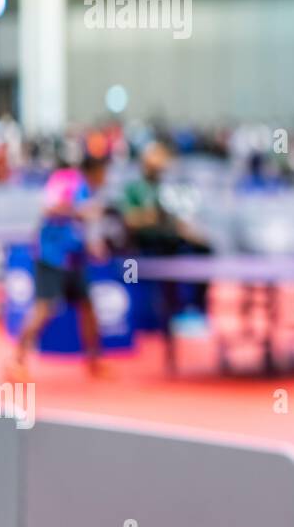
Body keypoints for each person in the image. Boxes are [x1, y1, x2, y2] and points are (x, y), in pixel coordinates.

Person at [11, 155, 110, 380]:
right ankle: (16, 362)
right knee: (44, 309)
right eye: (104, 173)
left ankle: (94, 361)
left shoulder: (91, 191)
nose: (106, 178)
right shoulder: (68, 180)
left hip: (75, 259)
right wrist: (79, 211)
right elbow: (49, 209)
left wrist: (94, 246)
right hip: (52, 256)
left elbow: (82, 227)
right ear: (95, 171)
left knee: (88, 308)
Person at [120, 141, 213, 328]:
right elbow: (128, 219)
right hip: (146, 240)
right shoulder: (134, 188)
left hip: (170, 237)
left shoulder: (167, 188)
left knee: (204, 249)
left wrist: (192, 233)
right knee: (169, 246)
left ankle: (196, 307)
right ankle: (167, 308)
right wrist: (152, 217)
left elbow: (177, 218)